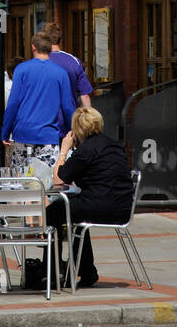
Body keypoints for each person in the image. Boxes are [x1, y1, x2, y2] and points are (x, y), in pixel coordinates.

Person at [45, 105, 135, 289]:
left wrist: (64, 150)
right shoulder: (114, 145)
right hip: (123, 209)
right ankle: (86, 271)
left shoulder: (85, 151)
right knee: (75, 217)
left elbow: (59, 180)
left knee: (52, 213)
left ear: (77, 129)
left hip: (98, 206)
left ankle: (52, 272)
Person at [1, 32, 75, 174]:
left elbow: (13, 103)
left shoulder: (21, 69)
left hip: (22, 134)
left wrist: (6, 131)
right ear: (50, 48)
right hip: (48, 135)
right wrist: (72, 132)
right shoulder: (60, 73)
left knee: (21, 182)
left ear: (33, 47)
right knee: (46, 184)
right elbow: (67, 107)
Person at [38, 21, 93, 109]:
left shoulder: (39, 61)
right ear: (60, 39)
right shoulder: (74, 61)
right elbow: (85, 96)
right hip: (69, 116)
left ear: (44, 39)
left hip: (44, 116)